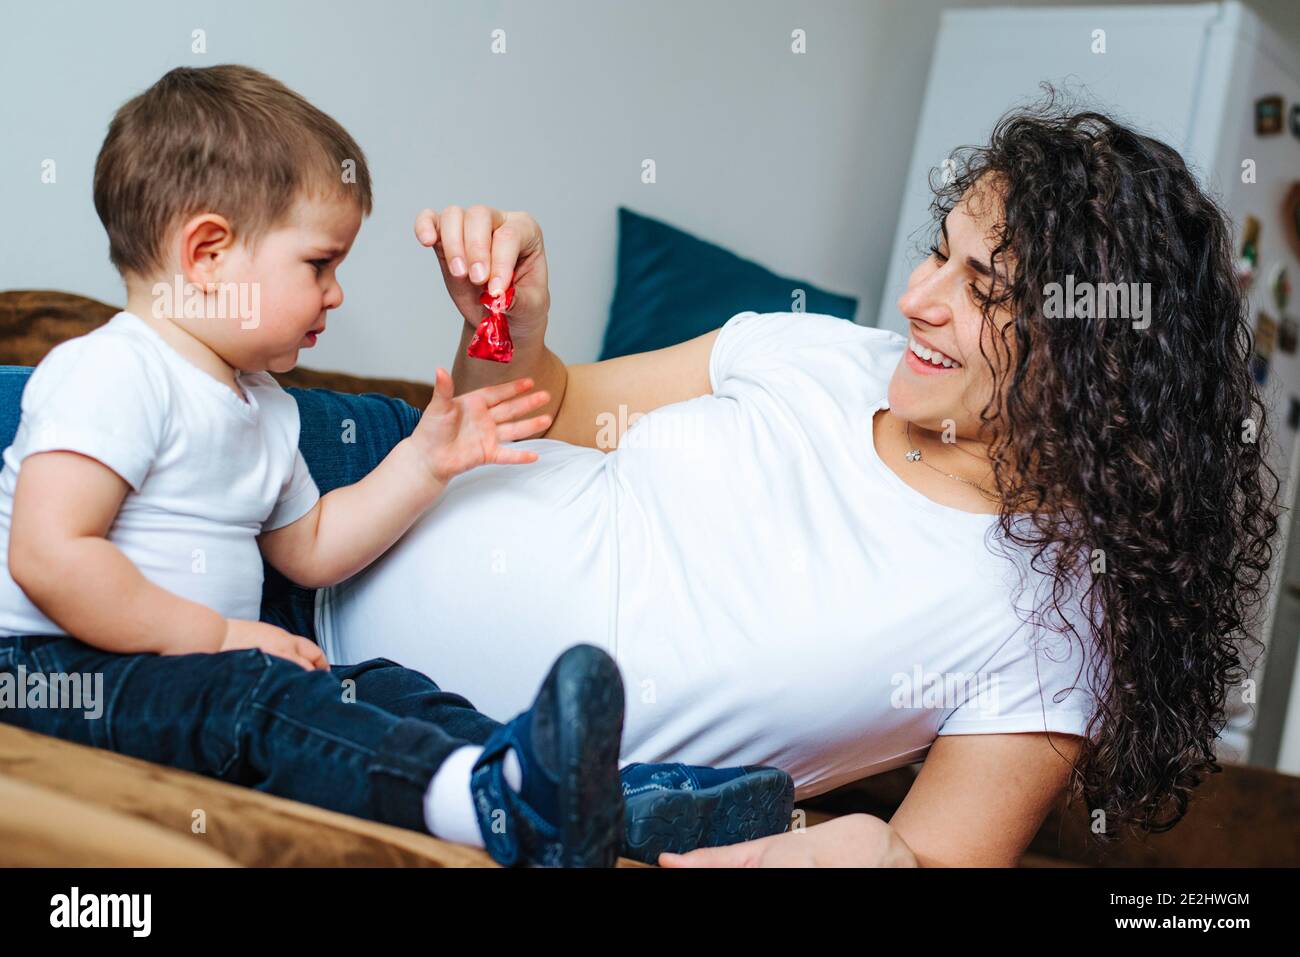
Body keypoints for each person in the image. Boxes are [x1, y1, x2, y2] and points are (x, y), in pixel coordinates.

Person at [317, 98, 1281, 866]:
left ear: (1096, 359)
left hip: (396, 735)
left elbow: (925, 859)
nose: (916, 300)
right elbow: (542, 407)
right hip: (340, 504)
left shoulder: (1053, 619)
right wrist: (508, 324)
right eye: (939, 252)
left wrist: (868, 850)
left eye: (982, 290)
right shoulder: (815, 352)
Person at [0, 64, 793, 868]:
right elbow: (48, 552)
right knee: (260, 696)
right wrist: (215, 636)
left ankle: (615, 798)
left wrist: (424, 461)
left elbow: (308, 548)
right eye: (320, 265)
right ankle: (487, 802)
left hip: (186, 660)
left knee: (377, 684)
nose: (337, 294)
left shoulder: (264, 404)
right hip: (58, 669)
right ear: (206, 252)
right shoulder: (113, 372)